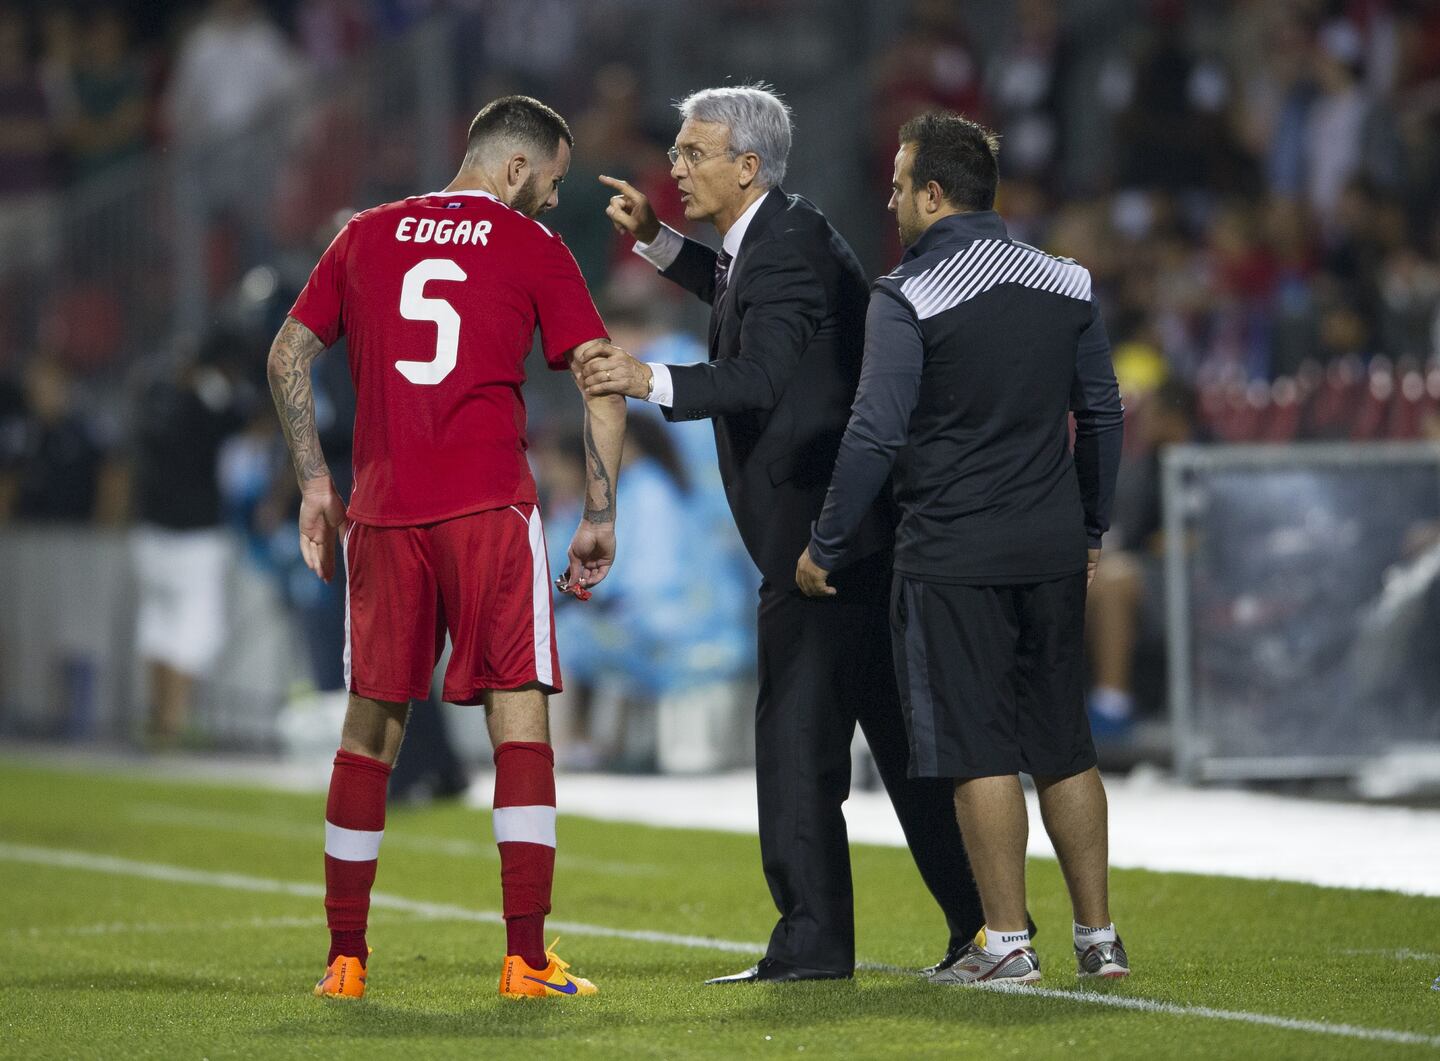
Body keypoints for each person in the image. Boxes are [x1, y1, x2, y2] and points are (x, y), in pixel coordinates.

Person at [585, 84, 985, 983]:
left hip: (820, 540)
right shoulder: (775, 237)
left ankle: (814, 943)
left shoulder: (787, 253)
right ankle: (984, 926)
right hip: (847, 531)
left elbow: (759, 374)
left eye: (693, 154)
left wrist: (648, 378)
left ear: (748, 166)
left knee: (798, 744)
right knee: (898, 744)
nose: (677, 167)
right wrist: (655, 238)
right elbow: (730, 285)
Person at [266, 95, 627, 1001]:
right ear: (514, 169)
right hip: (487, 510)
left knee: (371, 729)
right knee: (518, 717)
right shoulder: (534, 248)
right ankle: (525, 959)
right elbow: (602, 380)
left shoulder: (365, 234)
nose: (550, 201)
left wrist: (315, 481)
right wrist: (599, 511)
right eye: (549, 182)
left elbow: (286, 356)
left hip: (383, 516)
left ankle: (344, 960)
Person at [796, 111, 1128, 985]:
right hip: (1053, 547)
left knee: (978, 747)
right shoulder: (1067, 280)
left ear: (935, 194)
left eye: (902, 185)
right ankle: (1099, 939)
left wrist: (826, 541)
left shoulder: (907, 294)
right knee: (1065, 742)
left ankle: (1007, 944)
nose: (895, 199)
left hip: (953, 552)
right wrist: (1090, 525)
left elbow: (873, 432)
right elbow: (1101, 413)